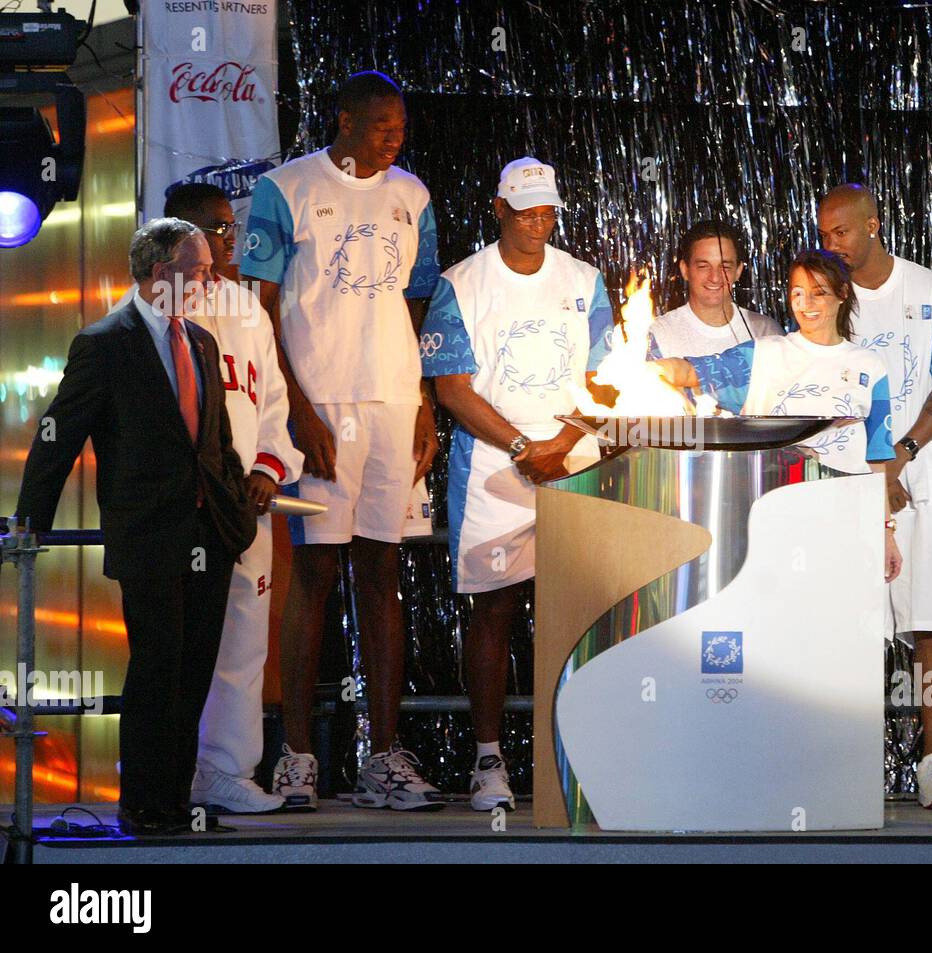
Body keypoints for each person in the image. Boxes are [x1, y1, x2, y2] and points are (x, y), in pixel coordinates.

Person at [240, 71, 442, 811]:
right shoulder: (285, 188)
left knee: (381, 572)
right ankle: (296, 757)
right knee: (317, 572)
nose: (396, 137)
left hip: (392, 401)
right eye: (383, 125)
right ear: (346, 120)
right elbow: (258, 308)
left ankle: (383, 757)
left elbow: (417, 302)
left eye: (401, 126)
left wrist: (420, 397)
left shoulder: (412, 195)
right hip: (321, 404)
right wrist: (295, 406)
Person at [14, 219, 256, 836]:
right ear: (159, 272)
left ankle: (177, 801)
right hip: (148, 532)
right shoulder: (104, 343)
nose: (209, 280)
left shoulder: (200, 340)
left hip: (210, 533)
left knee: (194, 666)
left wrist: (233, 509)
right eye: (198, 269)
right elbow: (57, 437)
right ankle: (144, 802)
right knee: (157, 663)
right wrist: (29, 524)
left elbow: (217, 441)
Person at [422, 156, 610, 811]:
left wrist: (563, 441)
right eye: (525, 210)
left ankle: (578, 753)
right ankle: (488, 758)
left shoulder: (584, 280)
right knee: (494, 610)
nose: (538, 222)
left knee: (580, 612)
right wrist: (523, 444)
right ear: (498, 209)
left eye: (547, 211)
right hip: (493, 467)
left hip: (572, 462)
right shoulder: (461, 283)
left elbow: (610, 377)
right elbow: (449, 386)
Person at [818, 183, 932, 809]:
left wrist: (901, 456)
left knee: (931, 620)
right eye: (825, 234)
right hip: (852, 476)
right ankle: (845, 759)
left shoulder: (930, 291)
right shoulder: (826, 295)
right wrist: (872, 467)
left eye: (842, 233)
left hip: (926, 476)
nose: (832, 244)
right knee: (848, 623)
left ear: (875, 225)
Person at [154, 183, 304, 814]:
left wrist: (269, 470)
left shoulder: (247, 309)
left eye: (228, 229)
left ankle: (226, 770)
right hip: (179, 504)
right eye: (213, 229)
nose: (227, 241)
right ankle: (164, 772)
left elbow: (273, 404)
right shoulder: (148, 307)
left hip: (244, 505)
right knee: (173, 639)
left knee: (243, 634)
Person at [655, 249, 903, 581]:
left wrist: (886, 531)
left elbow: (877, 459)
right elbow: (694, 372)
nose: (806, 305)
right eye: (797, 294)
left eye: (818, 293)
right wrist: (644, 369)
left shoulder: (869, 366)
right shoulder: (764, 354)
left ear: (842, 294)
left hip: (847, 516)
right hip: (777, 515)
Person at [647, 219, 783, 359]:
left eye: (725, 267)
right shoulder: (658, 335)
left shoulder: (766, 332)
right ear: (684, 270)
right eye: (703, 266)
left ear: (738, 271)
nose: (715, 278)